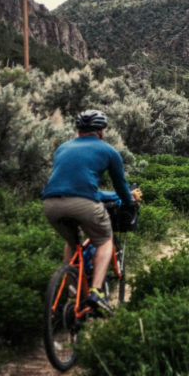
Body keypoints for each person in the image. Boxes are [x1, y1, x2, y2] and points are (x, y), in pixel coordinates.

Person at [42, 109, 138, 315]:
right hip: (84, 204)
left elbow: (72, 185)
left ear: (78, 130)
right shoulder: (109, 151)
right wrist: (128, 201)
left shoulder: (62, 148)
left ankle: (71, 288)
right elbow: (121, 187)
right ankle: (96, 293)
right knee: (104, 239)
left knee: (72, 243)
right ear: (101, 131)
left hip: (50, 204)